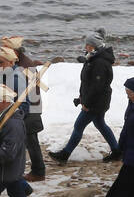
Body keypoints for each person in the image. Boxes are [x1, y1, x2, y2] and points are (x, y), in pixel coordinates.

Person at [50, 28, 119, 163]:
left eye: (89, 45)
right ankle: (116, 151)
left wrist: (87, 103)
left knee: (78, 125)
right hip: (97, 100)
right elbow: (88, 83)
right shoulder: (93, 58)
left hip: (96, 102)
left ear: (95, 46)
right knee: (100, 124)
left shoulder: (99, 62)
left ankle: (65, 154)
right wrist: (82, 97)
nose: (86, 47)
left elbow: (97, 87)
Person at [2, 35, 47, 182]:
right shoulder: (18, 63)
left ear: (15, 51)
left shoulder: (24, 66)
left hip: (29, 107)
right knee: (22, 139)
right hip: (25, 106)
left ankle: (38, 171)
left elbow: (28, 89)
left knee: (31, 141)